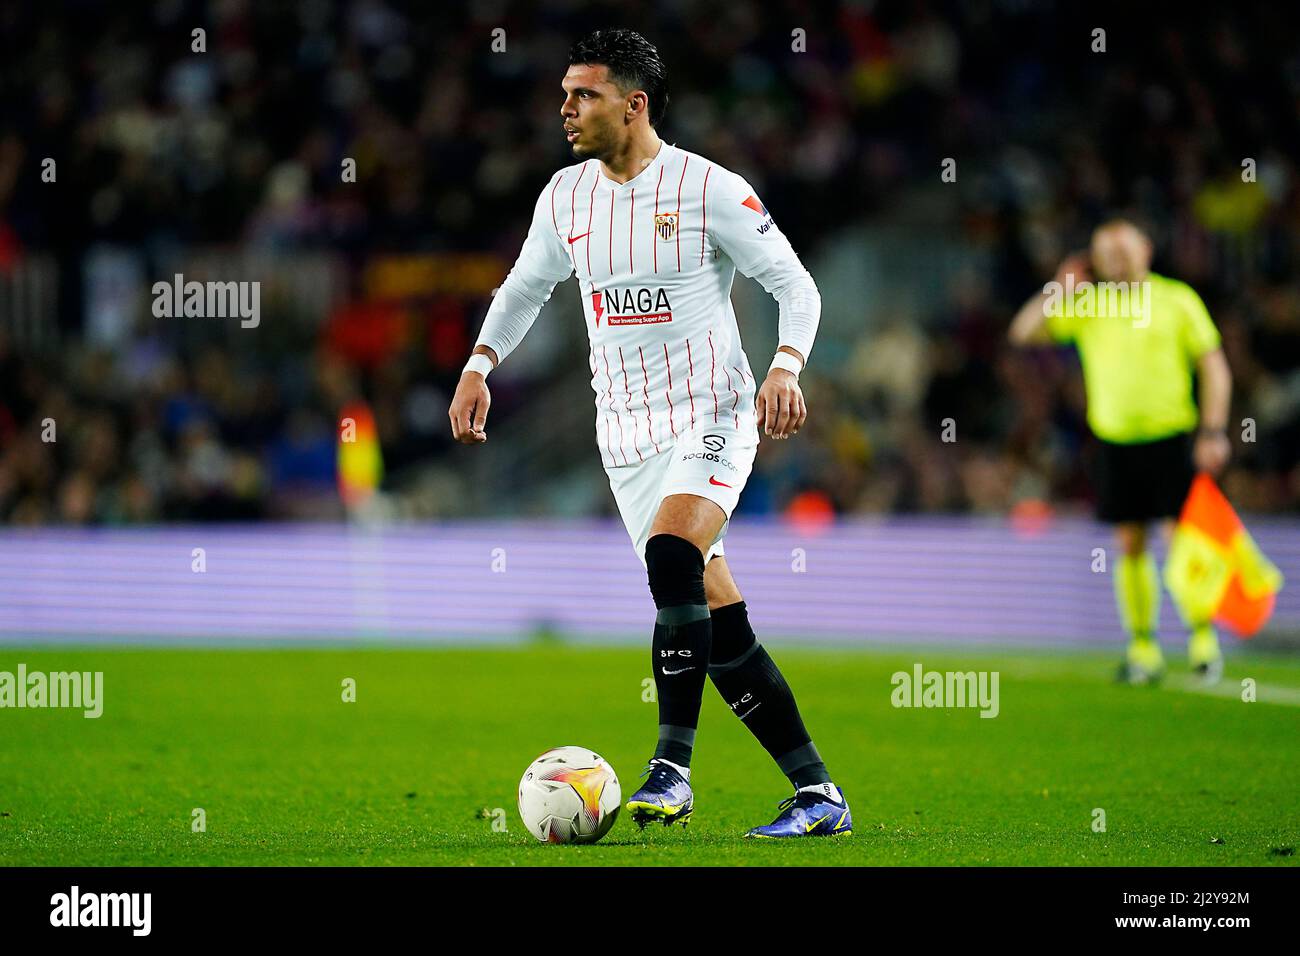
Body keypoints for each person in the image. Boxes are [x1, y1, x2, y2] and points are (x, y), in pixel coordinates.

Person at [449, 29, 850, 837]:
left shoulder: (709, 190)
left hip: (713, 410)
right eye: (564, 93)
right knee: (714, 611)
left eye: (582, 94)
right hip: (624, 432)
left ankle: (670, 768)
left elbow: (794, 284)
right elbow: (525, 287)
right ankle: (817, 793)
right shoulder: (564, 197)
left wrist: (784, 367)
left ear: (633, 105)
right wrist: (479, 363)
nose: (564, 108)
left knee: (673, 556)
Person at [1009, 219, 1233, 684]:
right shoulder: (1088, 303)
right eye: (1105, 251)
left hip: (1172, 437)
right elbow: (1024, 332)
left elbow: (1214, 368)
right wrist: (1058, 288)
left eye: (1123, 248)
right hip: (1113, 441)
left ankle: (1203, 640)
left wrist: (1214, 430)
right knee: (1130, 543)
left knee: (1182, 539)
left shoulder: (1177, 299)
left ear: (1146, 249)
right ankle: (1143, 650)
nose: (1116, 257)